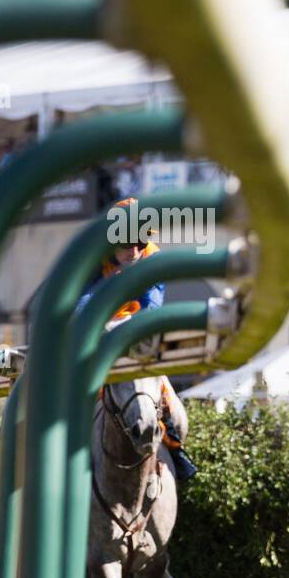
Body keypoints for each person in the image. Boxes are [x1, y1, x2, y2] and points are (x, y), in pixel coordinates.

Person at [76, 197, 197, 481]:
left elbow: (151, 307)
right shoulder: (90, 262)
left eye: (140, 241)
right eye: (126, 241)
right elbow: (81, 307)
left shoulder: (153, 260)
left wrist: (128, 328)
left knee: (166, 398)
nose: (133, 249)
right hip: (95, 333)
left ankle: (176, 451)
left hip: (134, 332)